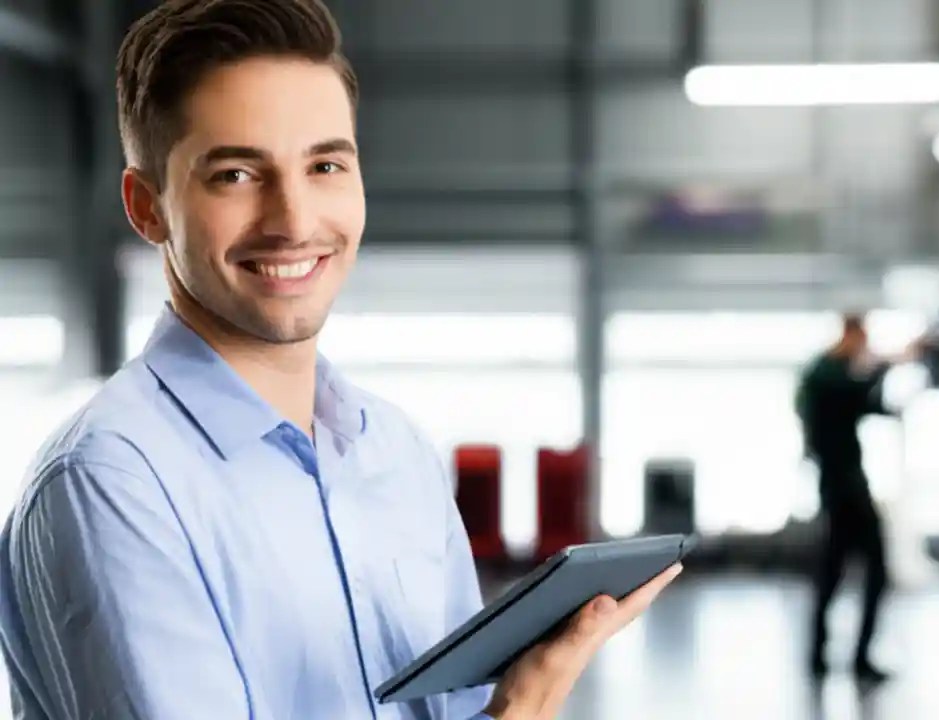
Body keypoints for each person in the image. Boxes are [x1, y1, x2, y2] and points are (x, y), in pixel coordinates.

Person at [0, 2, 681, 719]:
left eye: (324, 164)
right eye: (235, 174)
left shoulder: (396, 455)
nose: (293, 219)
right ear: (147, 208)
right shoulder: (113, 483)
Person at [795, 313, 911, 686]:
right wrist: (885, 365)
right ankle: (846, 658)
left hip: (841, 484)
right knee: (866, 570)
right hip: (842, 487)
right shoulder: (824, 373)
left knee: (834, 572)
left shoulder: (833, 374)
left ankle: (826, 656)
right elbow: (853, 395)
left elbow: (863, 403)